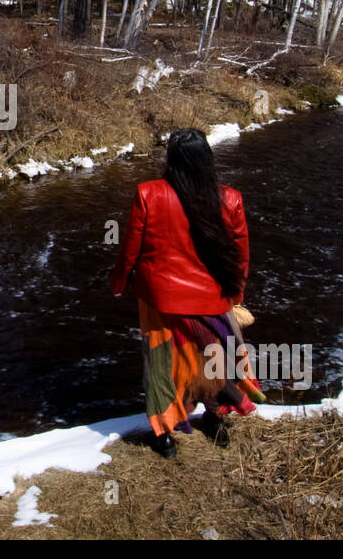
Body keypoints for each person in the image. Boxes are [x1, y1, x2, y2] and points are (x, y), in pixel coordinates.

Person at [110, 128, 265, 458]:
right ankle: (214, 419)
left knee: (162, 364)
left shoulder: (148, 194)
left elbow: (130, 249)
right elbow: (240, 254)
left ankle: (164, 436)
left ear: (171, 160)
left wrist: (119, 282)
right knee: (213, 360)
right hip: (212, 298)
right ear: (207, 159)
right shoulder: (230, 198)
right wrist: (236, 296)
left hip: (160, 300)